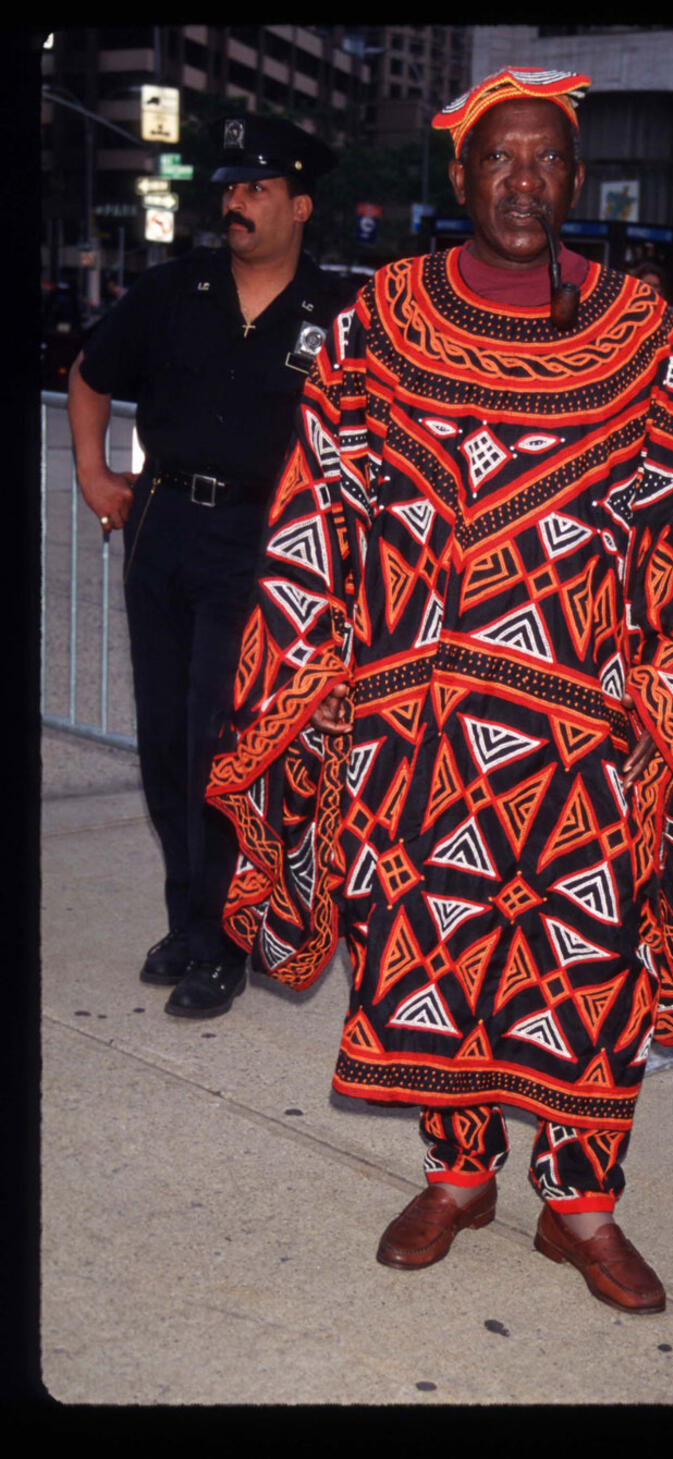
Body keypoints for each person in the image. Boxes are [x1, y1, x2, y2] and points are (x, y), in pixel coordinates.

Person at [206, 69, 673, 1312]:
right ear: (461, 176)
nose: (523, 183)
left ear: (575, 180)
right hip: (411, 726)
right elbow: (318, 506)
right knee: (430, 943)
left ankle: (580, 1208)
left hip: (583, 734)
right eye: (499, 160)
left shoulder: (643, 339)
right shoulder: (378, 325)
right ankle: (458, 1177)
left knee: (588, 962)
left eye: (547, 161)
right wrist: (311, 673)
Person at [67, 115, 359, 1019]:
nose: (236, 202)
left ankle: (224, 941)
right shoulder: (173, 289)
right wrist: (93, 472)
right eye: (231, 188)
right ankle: (188, 921)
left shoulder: (337, 314)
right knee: (164, 742)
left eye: (257, 189)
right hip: (162, 529)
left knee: (223, 745)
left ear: (300, 206)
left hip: (264, 547)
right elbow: (89, 374)